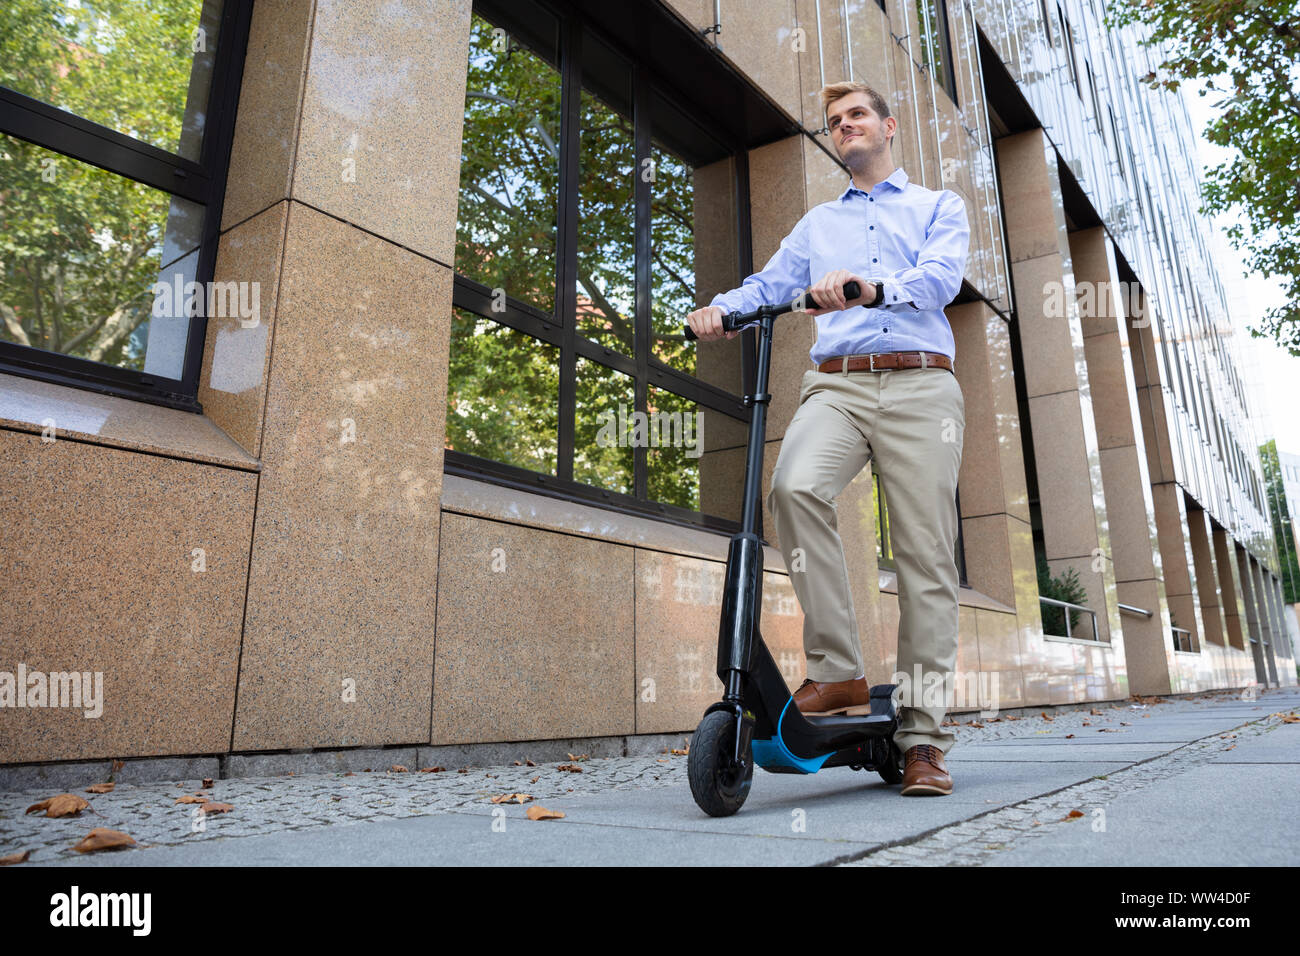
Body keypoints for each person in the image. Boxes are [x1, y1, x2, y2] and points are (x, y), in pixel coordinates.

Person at [685, 81, 970, 796]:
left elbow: (939, 280)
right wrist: (721, 309)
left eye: (857, 116)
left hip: (921, 385)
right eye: (835, 123)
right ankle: (839, 670)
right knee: (794, 486)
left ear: (888, 127)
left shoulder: (938, 206)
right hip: (837, 384)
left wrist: (871, 289)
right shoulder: (818, 224)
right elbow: (770, 281)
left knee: (925, 561)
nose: (845, 127)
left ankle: (924, 740)